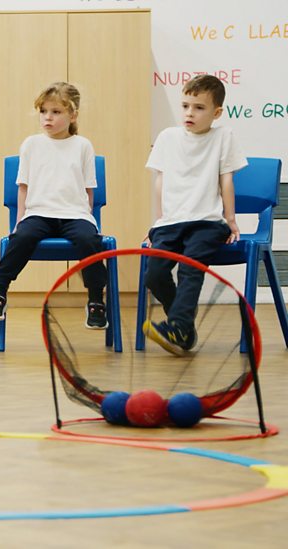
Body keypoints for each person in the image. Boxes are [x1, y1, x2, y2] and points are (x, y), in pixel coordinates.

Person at [0, 82, 108, 330]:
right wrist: (19, 221)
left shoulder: (83, 146)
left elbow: (88, 190)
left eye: (56, 112)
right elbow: (23, 187)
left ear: (73, 115)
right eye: (43, 111)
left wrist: (88, 218)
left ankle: (95, 300)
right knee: (22, 238)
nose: (47, 117)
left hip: (75, 214)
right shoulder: (31, 144)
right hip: (39, 213)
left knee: (89, 241)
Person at [143, 74, 247, 355]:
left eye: (199, 108)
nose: (190, 113)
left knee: (190, 268)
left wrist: (231, 220)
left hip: (207, 223)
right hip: (171, 222)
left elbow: (226, 180)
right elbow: (160, 182)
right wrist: (158, 222)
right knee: (154, 275)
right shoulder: (167, 137)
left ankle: (178, 325)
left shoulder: (223, 137)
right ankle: (183, 326)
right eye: (186, 106)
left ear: (216, 113)